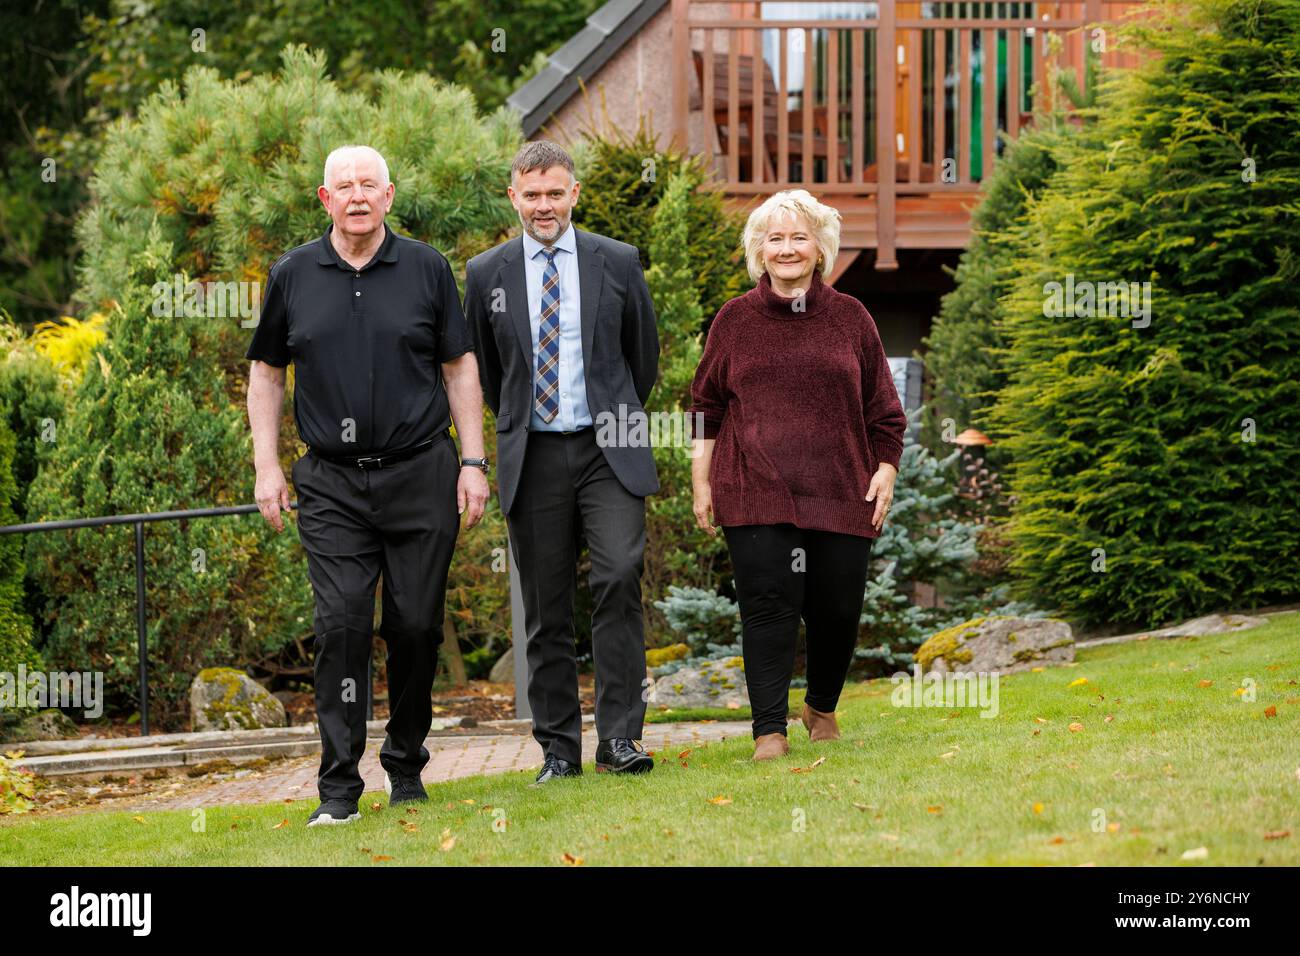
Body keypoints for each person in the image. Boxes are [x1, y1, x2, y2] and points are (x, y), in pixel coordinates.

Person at [246, 145, 489, 825]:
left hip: (420, 474)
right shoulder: (293, 274)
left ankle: (406, 760)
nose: (357, 196)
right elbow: (266, 374)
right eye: (343, 186)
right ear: (325, 199)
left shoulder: (426, 268)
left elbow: (459, 367)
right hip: (331, 485)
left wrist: (473, 463)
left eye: (369, 186)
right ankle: (338, 790)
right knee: (341, 626)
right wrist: (268, 465)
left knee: (414, 626)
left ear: (389, 196)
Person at [465, 140, 660, 782]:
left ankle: (620, 740)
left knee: (618, 576)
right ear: (513, 196)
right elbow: (491, 378)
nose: (543, 206)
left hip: (611, 447)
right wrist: (524, 423)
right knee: (547, 607)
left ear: (574, 193)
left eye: (555, 193)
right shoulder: (486, 274)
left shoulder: (619, 261)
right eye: (532, 195)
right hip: (536, 451)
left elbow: (643, 358)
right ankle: (557, 749)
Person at [689, 189, 907, 761]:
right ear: (759, 250)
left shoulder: (851, 317)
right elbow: (704, 406)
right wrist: (701, 481)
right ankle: (769, 730)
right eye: (775, 238)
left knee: (837, 610)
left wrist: (886, 468)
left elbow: (885, 408)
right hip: (754, 487)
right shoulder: (735, 320)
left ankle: (821, 706)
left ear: (820, 249)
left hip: (840, 488)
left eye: (799, 237)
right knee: (767, 605)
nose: (786, 248)